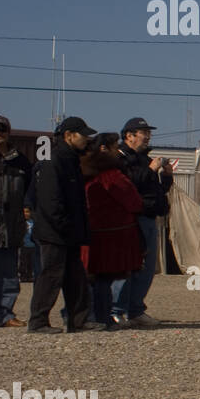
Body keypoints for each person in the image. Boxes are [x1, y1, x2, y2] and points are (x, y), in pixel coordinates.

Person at [27, 117, 98, 333]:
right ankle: (38, 322)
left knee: (75, 277)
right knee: (51, 276)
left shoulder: (70, 160)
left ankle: (79, 320)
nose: (87, 140)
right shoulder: (53, 160)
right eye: (83, 135)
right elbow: (50, 201)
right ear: (69, 135)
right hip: (55, 232)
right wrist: (64, 226)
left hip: (69, 232)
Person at [113, 117, 173, 328]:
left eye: (148, 133)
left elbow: (154, 190)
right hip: (131, 219)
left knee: (147, 268)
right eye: (143, 133)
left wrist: (166, 177)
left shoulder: (142, 158)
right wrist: (150, 170)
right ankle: (116, 310)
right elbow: (128, 184)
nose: (147, 137)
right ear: (129, 135)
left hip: (150, 217)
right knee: (128, 266)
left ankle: (136, 309)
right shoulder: (120, 157)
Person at [80, 134, 144, 329]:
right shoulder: (112, 175)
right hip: (111, 235)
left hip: (91, 231)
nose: (118, 150)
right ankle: (102, 317)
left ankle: (89, 317)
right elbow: (134, 201)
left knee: (91, 277)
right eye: (115, 147)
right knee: (103, 278)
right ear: (104, 149)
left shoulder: (85, 172)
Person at [0, 114, 32, 327]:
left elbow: (30, 191)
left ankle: (5, 315)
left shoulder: (20, 161)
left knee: (9, 274)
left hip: (10, 225)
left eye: (3, 128)